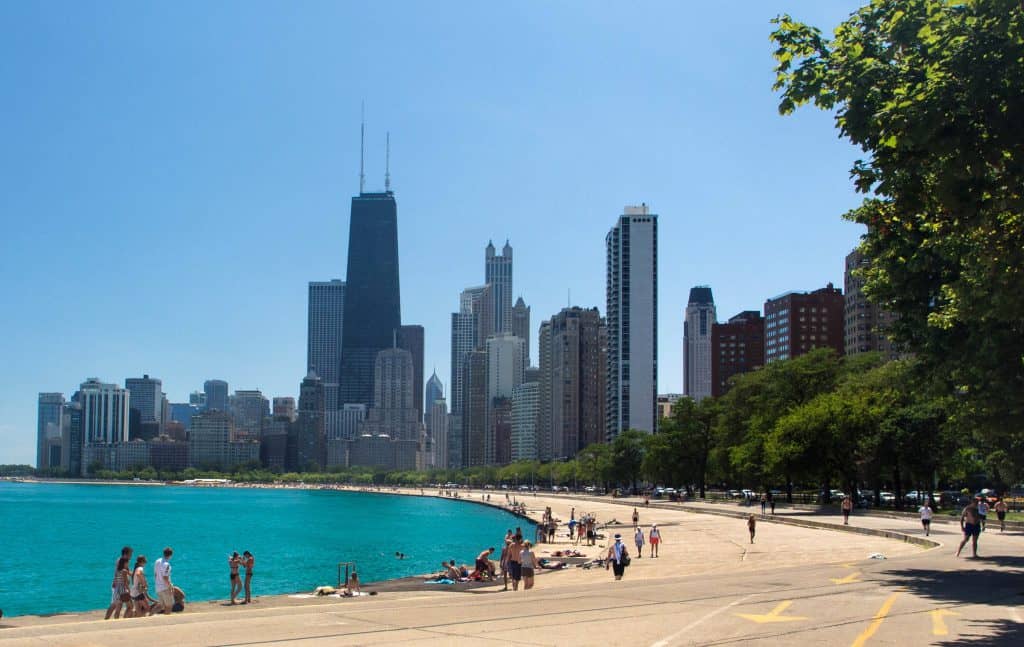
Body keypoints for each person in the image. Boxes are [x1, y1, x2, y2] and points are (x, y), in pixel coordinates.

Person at [104, 546, 133, 620]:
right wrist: (128, 588)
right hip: (121, 586)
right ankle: (123, 619)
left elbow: (119, 572)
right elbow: (123, 574)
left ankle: (107, 619)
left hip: (117, 585)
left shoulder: (120, 560)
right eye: (130, 554)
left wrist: (131, 574)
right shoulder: (124, 561)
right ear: (126, 554)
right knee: (128, 606)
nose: (131, 556)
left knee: (115, 604)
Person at [154, 547, 175, 615]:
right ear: (171, 555)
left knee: (161, 605)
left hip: (158, 587)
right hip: (164, 588)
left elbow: (155, 574)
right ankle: (166, 620)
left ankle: (150, 615)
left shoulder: (157, 561)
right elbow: (165, 577)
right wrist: (170, 586)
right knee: (169, 605)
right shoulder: (167, 565)